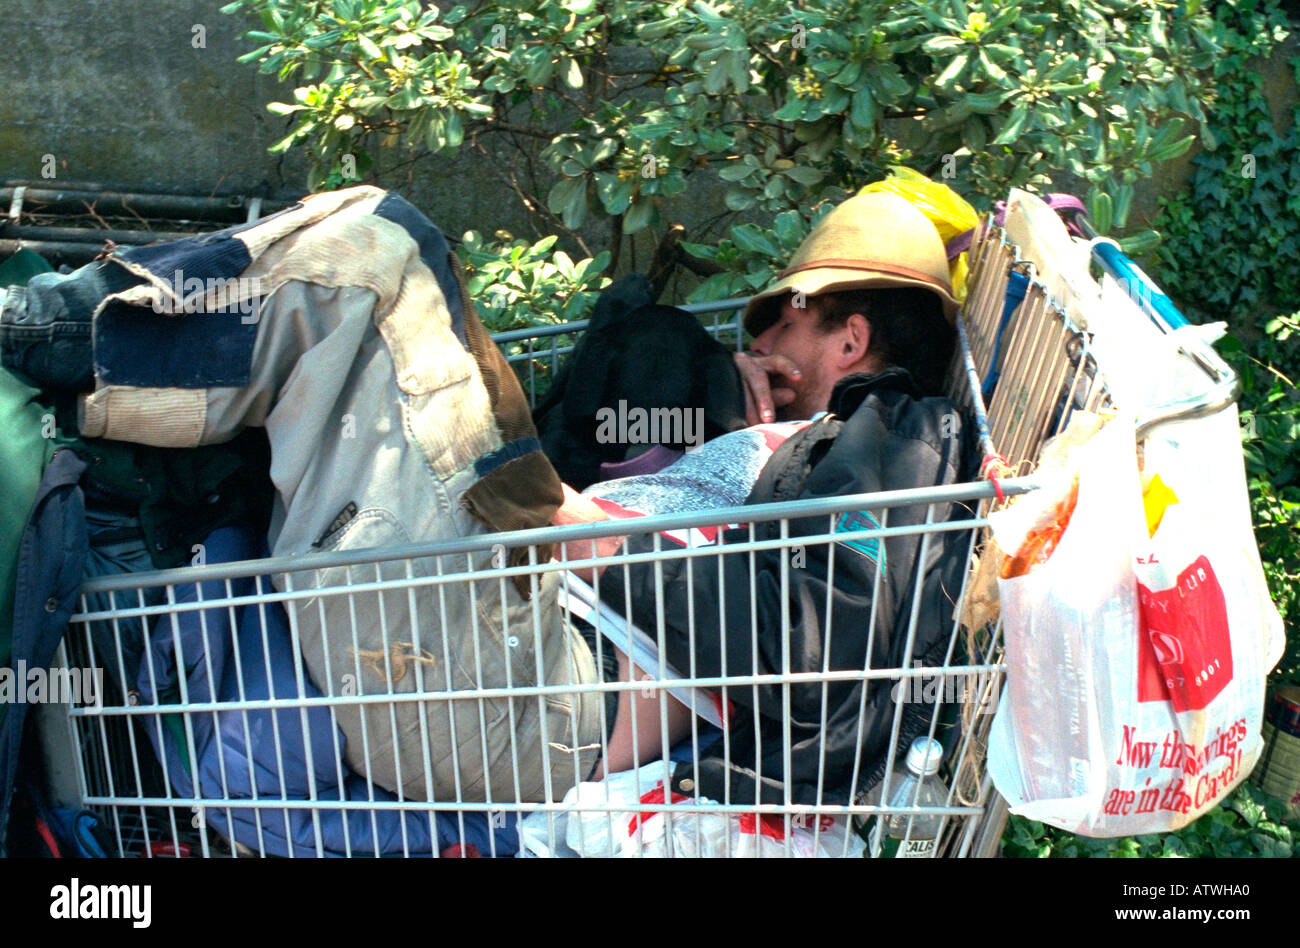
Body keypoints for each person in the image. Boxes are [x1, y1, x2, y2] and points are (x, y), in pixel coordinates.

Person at [551, 190, 978, 804]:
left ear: (851, 341)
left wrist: (587, 531)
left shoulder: (880, 444)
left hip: (580, 666)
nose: (760, 343)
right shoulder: (788, 436)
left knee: (398, 243)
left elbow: (806, 651)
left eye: (785, 323)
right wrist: (714, 383)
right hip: (550, 615)